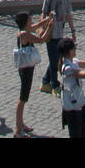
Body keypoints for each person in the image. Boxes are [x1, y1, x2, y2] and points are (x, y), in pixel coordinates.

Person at [13, 9, 53, 138]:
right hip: (26, 69)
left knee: (24, 97)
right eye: (30, 19)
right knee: (23, 98)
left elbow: (34, 27)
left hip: (25, 67)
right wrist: (50, 27)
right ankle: (18, 131)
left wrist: (46, 21)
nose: (32, 21)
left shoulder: (22, 31)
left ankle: (21, 124)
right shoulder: (25, 35)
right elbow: (41, 39)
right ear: (25, 22)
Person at [39, 0, 76, 97]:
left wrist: (73, 31)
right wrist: (45, 23)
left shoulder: (66, 0)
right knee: (54, 61)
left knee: (56, 59)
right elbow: (43, 14)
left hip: (60, 33)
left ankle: (45, 81)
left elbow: (69, 16)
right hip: (50, 33)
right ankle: (54, 85)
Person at [57, 35, 85, 140]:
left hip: (78, 103)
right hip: (73, 108)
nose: (75, 50)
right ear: (69, 51)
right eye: (74, 48)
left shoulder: (73, 61)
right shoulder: (67, 68)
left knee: (82, 134)